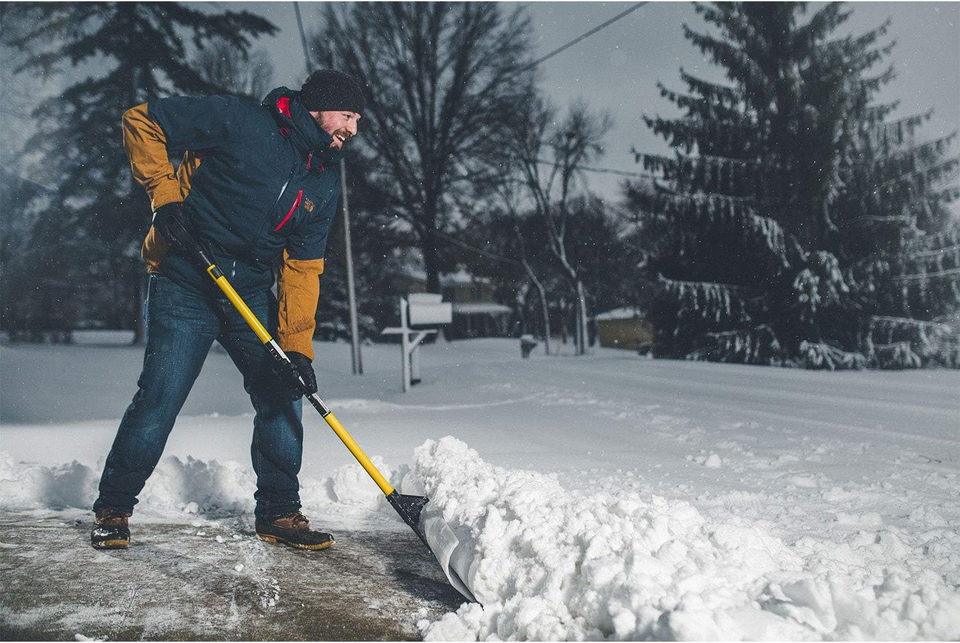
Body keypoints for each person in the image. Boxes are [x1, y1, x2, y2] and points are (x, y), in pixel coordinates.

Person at [90, 70, 364, 551]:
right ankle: (113, 507)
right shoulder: (240, 121)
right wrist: (165, 199)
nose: (353, 129)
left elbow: (302, 268)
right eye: (347, 116)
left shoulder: (322, 181)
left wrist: (297, 349)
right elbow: (141, 121)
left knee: (282, 392)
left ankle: (279, 511)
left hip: (249, 294)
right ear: (318, 107)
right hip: (185, 280)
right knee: (161, 397)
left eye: (357, 120)